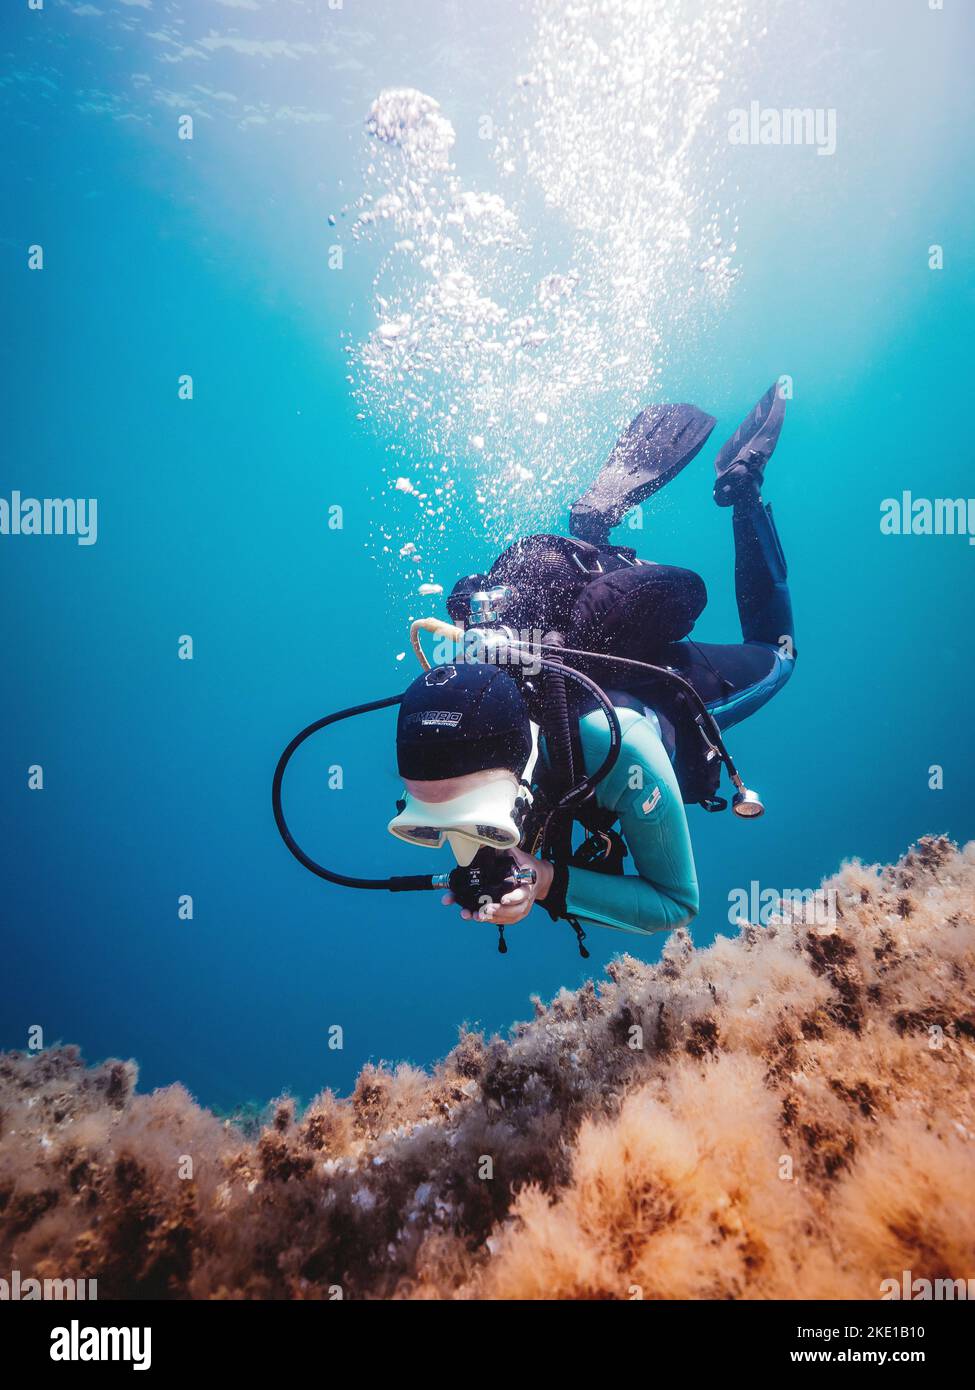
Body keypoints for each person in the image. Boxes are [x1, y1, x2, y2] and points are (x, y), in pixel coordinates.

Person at [388, 384, 796, 944]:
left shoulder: (617, 743)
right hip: (555, 653)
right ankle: (591, 538)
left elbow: (676, 903)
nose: (464, 848)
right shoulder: (454, 745)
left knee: (780, 654)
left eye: (472, 821)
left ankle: (743, 489)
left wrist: (546, 881)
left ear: (519, 771)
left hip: (656, 678)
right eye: (433, 829)